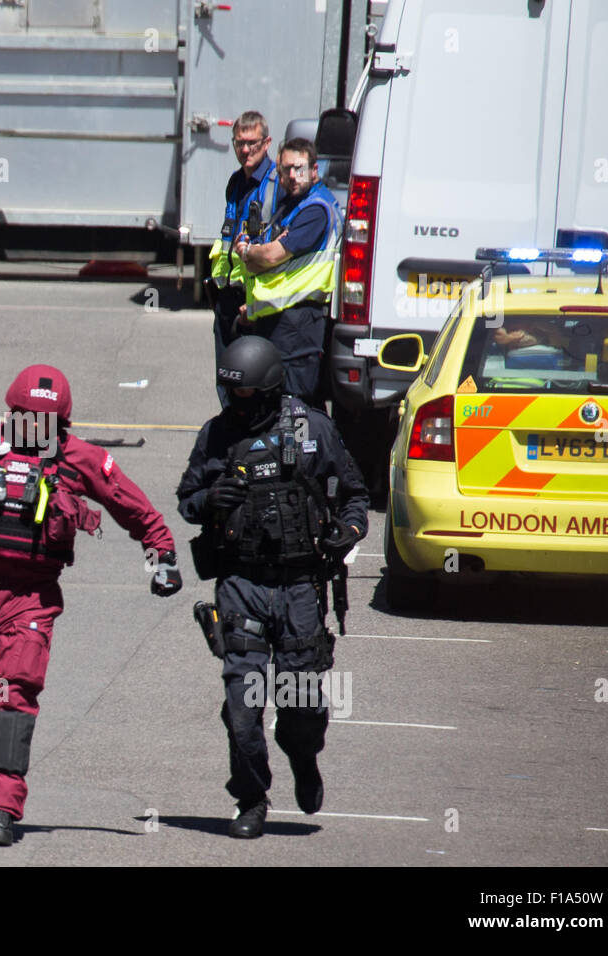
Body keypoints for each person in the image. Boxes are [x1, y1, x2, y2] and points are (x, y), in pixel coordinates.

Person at [0, 365, 182, 846]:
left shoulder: (80, 460)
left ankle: (0, 810)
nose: (33, 425)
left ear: (61, 424)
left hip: (32, 597)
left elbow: (130, 505)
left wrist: (163, 556)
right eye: (24, 415)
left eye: (43, 419)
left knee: (13, 694)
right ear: (11, 413)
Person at [176, 337, 368, 839]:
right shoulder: (216, 436)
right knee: (242, 706)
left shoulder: (313, 430)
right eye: (229, 394)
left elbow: (354, 495)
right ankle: (251, 799)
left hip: (300, 586)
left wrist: (346, 533)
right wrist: (209, 498)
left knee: (301, 709)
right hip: (240, 584)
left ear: (267, 392)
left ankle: (303, 757)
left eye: (244, 396)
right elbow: (187, 500)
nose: (234, 405)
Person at [232, 138, 341, 402]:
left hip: (299, 322)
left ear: (314, 170)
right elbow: (265, 255)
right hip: (281, 318)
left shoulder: (316, 208)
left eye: (299, 168)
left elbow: (270, 255)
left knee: (294, 403)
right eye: (285, 169)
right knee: (274, 400)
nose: (292, 175)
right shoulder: (292, 204)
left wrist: (247, 252)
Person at [208, 111, 280, 379]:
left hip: (255, 299)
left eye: (253, 143)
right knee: (226, 375)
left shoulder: (277, 183)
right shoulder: (236, 182)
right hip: (228, 294)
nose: (246, 149)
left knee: (252, 378)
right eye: (239, 143)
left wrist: (253, 304)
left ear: (267, 143)